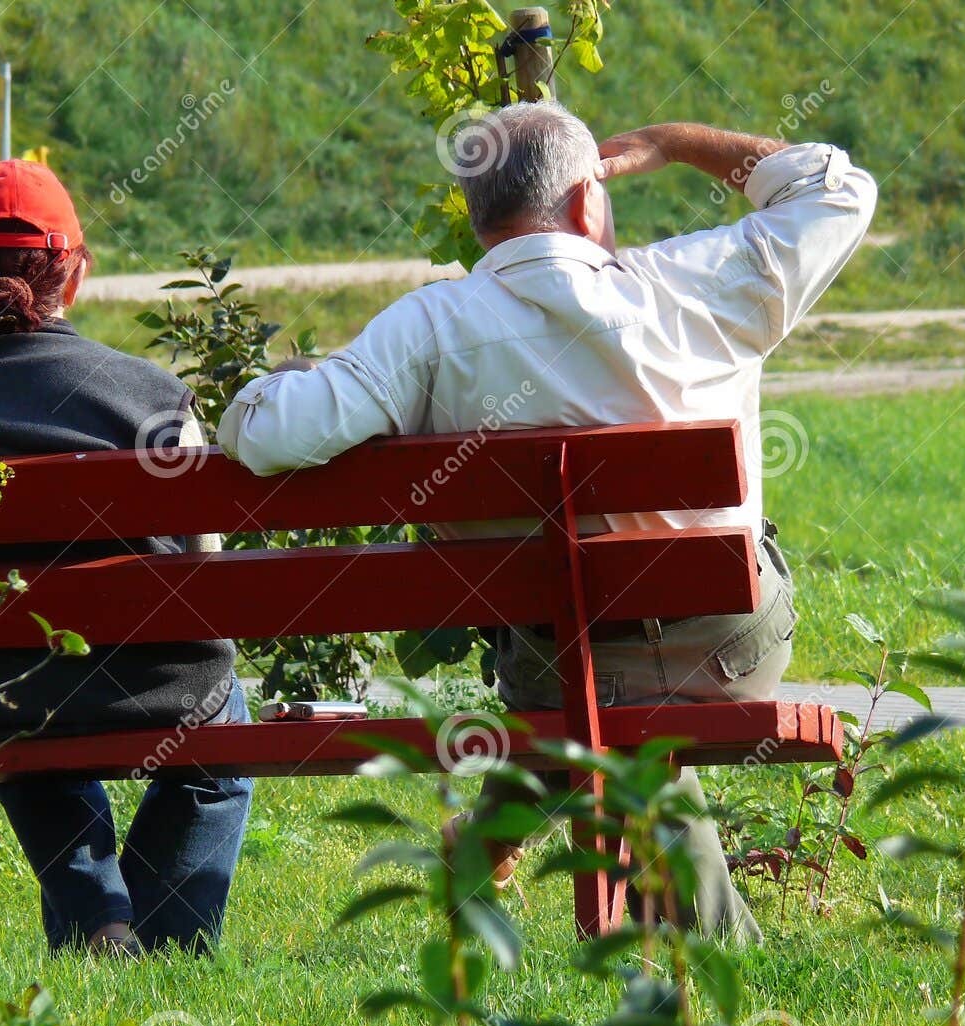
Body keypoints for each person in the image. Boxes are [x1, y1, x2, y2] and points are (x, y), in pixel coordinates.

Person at [218, 105, 876, 943]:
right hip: (727, 649)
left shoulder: (426, 329)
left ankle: (490, 843)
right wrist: (675, 142)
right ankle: (717, 952)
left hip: (551, 661)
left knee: (587, 696)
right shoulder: (697, 282)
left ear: (478, 216)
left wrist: (299, 376)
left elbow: (268, 432)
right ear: (587, 203)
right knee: (624, 723)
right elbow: (834, 188)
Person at [0, 160, 253, 957]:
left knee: (17, 706)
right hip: (158, 684)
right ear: (74, 273)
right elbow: (205, 575)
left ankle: (99, 920)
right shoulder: (149, 395)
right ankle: (165, 939)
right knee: (220, 745)